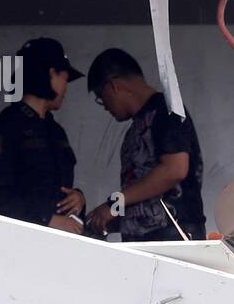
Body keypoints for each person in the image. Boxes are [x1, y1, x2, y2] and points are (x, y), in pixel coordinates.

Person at [83, 48, 206, 242]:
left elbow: (174, 170)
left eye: (101, 96)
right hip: (145, 239)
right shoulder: (137, 126)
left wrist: (115, 204)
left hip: (173, 237)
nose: (104, 105)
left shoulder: (166, 110)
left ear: (113, 86)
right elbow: (144, 193)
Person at [0, 38, 86, 234]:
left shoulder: (56, 131)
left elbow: (56, 189)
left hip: (60, 246)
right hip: (18, 245)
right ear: (52, 74)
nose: (66, 88)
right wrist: (46, 219)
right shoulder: (6, 127)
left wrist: (78, 198)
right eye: (65, 79)